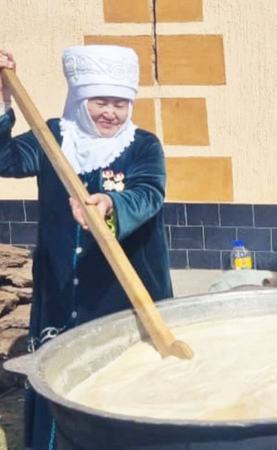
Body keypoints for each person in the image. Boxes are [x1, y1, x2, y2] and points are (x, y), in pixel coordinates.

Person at [0, 45, 173, 449]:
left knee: (123, 377)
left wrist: (112, 204)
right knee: (60, 373)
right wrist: (3, 98)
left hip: (122, 288)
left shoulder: (143, 145)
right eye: (100, 101)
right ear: (80, 99)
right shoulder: (53, 136)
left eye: (120, 103)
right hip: (63, 286)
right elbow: (4, 159)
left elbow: (150, 192)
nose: (111, 112)